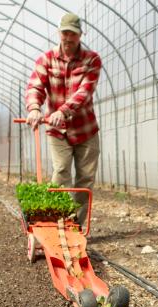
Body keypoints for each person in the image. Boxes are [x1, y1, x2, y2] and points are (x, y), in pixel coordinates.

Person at [26, 12, 102, 227]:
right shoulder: (46, 60)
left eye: (73, 34)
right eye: (65, 33)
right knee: (60, 172)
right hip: (57, 131)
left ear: (80, 35)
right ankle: (54, 222)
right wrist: (34, 108)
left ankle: (75, 227)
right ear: (58, 33)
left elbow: (85, 92)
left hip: (86, 130)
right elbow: (35, 86)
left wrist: (63, 110)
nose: (68, 38)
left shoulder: (92, 59)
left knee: (85, 180)